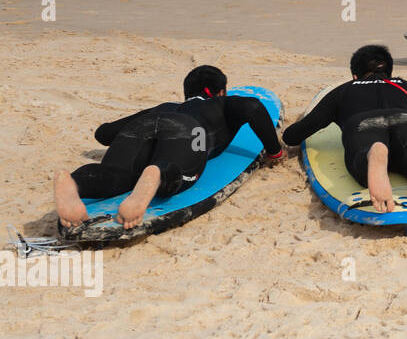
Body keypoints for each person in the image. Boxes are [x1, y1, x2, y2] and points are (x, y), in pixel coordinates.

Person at [54, 66, 284, 230]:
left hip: (142, 125)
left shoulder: (166, 106)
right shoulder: (223, 103)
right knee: (180, 173)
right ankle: (157, 173)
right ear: (221, 91)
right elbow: (253, 107)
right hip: (187, 130)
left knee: (117, 176)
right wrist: (275, 151)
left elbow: (104, 134)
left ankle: (75, 181)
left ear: (186, 93)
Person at [282, 45, 407, 212]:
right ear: (389, 73)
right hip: (405, 122)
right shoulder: (405, 87)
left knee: (362, 163)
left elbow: (293, 136)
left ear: (354, 76)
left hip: (363, 125)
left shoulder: (344, 91)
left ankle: (373, 154)